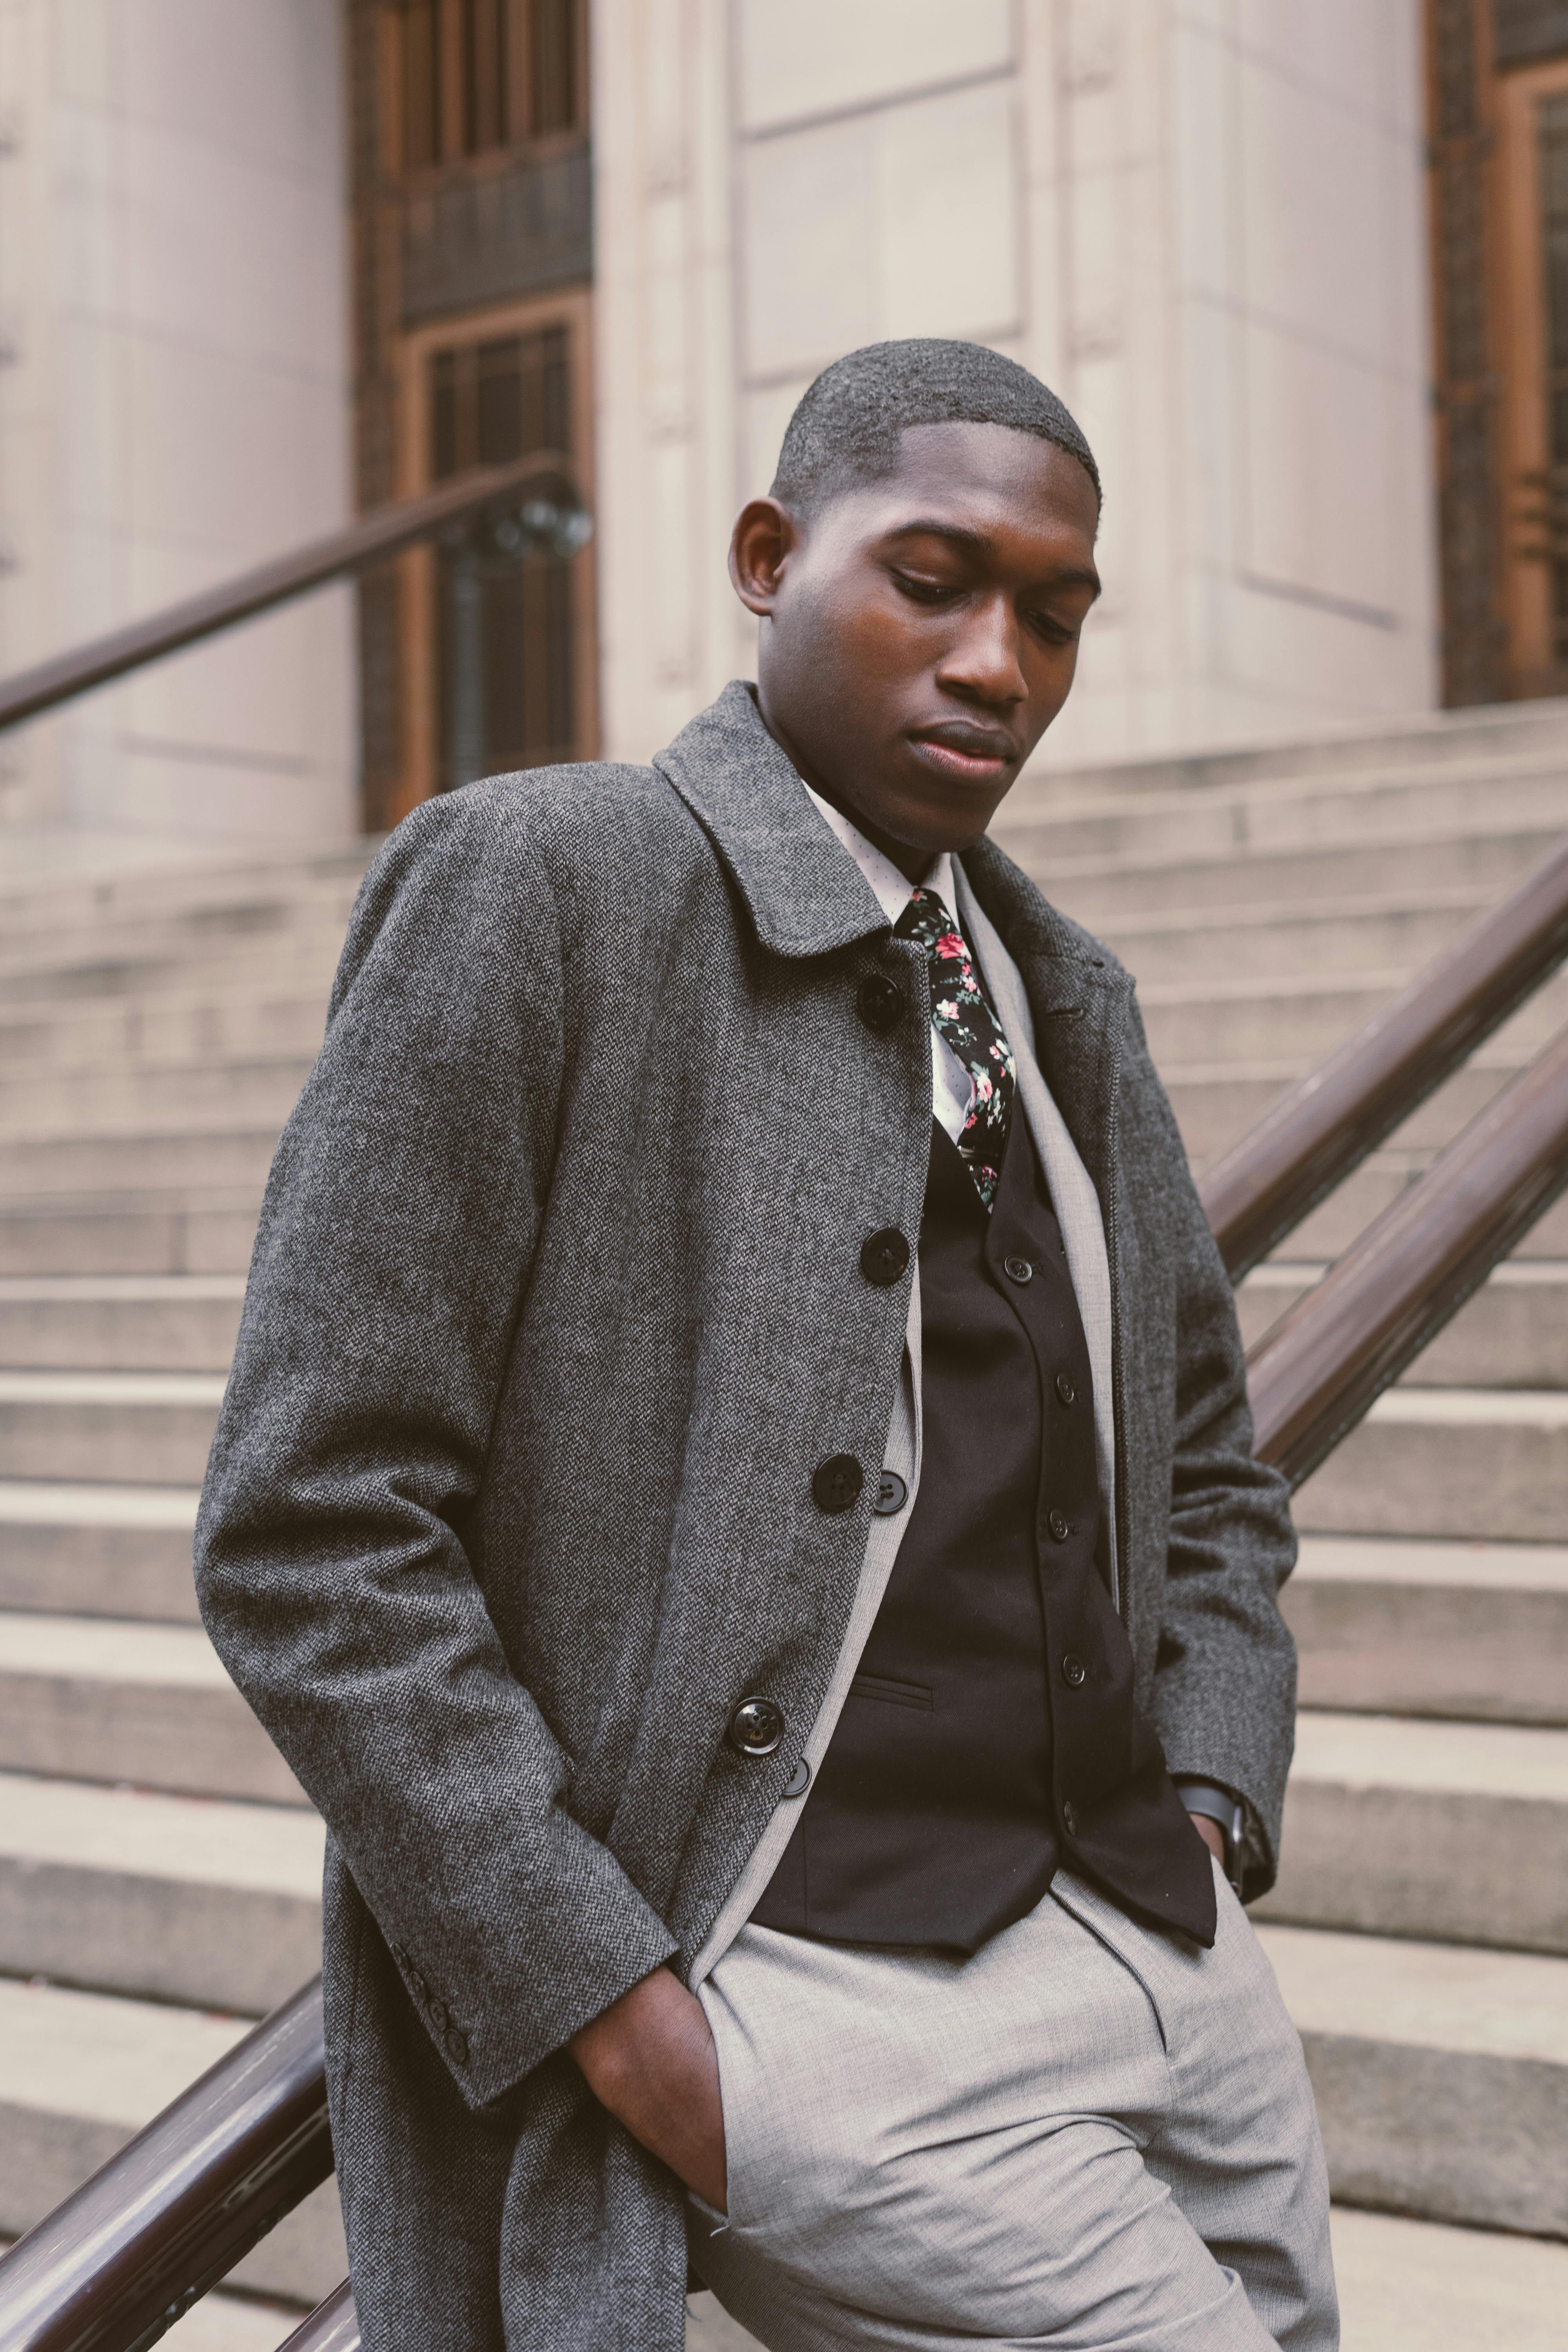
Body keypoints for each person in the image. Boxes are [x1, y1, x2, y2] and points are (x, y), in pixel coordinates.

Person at [195, 338, 1336, 2352]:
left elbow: (1207, 1460)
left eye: (1053, 615)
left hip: (1168, 1961)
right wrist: (616, 2013)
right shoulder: (548, 885)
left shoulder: (1063, 986)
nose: (998, 660)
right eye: (933, 577)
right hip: (809, 2003)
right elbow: (312, 1528)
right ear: (765, 556)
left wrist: (1214, 1796)